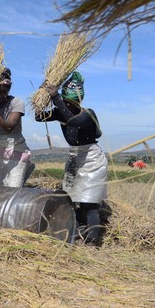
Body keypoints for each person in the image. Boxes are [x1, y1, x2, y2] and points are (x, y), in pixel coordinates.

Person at [35, 71, 107, 245]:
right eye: (66, 102)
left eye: (70, 102)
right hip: (75, 157)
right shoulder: (61, 111)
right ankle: (75, 231)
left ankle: (92, 241)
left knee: (89, 202)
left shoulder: (88, 114)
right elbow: (39, 117)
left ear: (79, 100)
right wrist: (42, 97)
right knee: (70, 197)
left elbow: (73, 121)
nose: (66, 104)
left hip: (91, 159)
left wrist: (57, 99)